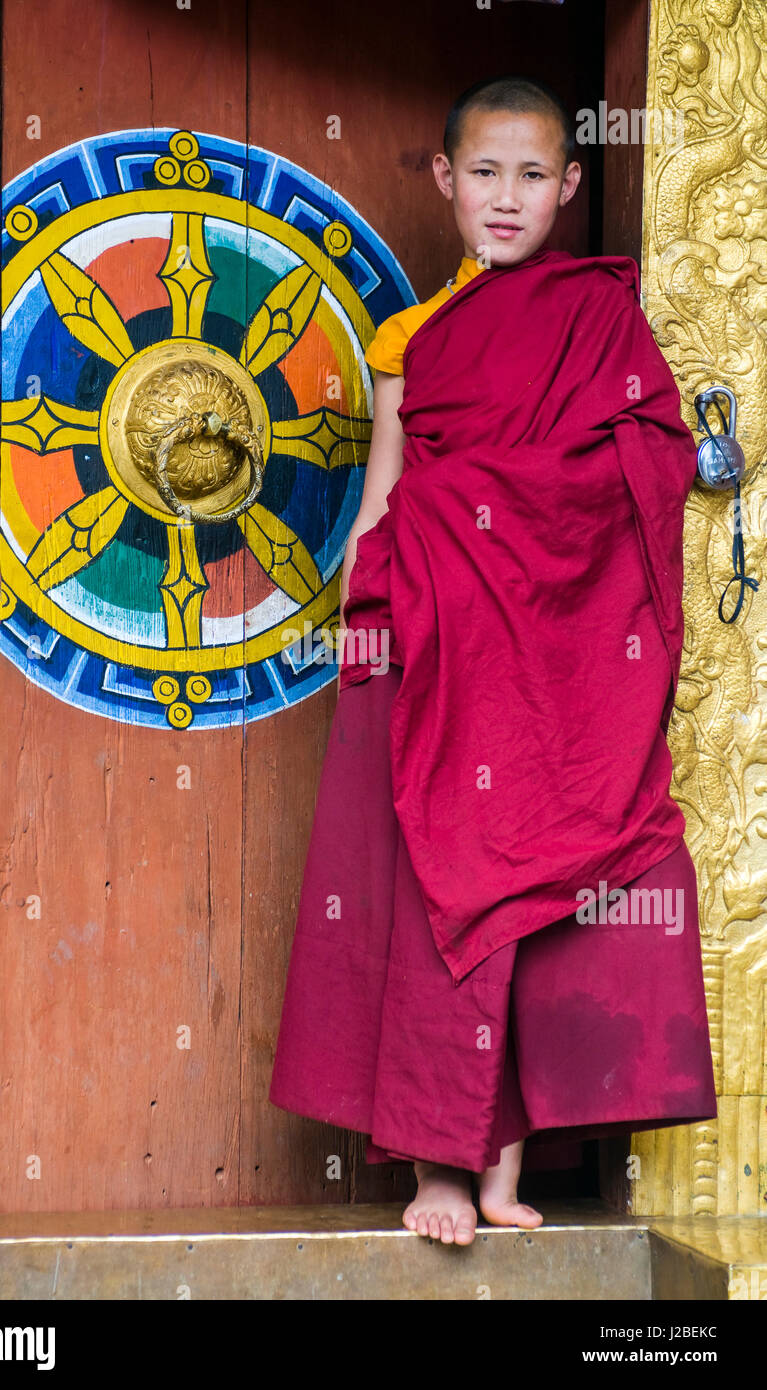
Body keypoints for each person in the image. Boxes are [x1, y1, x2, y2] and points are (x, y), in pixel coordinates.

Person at [268, 75, 718, 1246]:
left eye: (531, 177)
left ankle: (503, 1168)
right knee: (431, 892)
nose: (505, 199)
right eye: (483, 174)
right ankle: (435, 1168)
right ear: (443, 180)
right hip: (432, 639)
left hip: (552, 658)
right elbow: (384, 500)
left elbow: (647, 467)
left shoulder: (595, 318)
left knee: (522, 898)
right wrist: (364, 637)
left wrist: (500, 513)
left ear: (571, 187)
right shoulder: (405, 341)